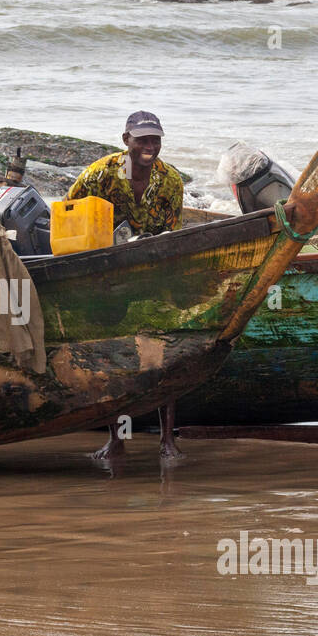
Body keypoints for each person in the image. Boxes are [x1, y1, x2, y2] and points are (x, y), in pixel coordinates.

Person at [67, 110, 186, 458]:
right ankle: (118, 440)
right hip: (108, 278)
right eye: (142, 139)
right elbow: (69, 211)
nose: (150, 146)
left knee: (166, 355)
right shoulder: (100, 174)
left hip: (154, 274)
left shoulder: (171, 182)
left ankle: (167, 440)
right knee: (115, 358)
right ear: (126, 141)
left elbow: (172, 236)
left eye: (155, 140)